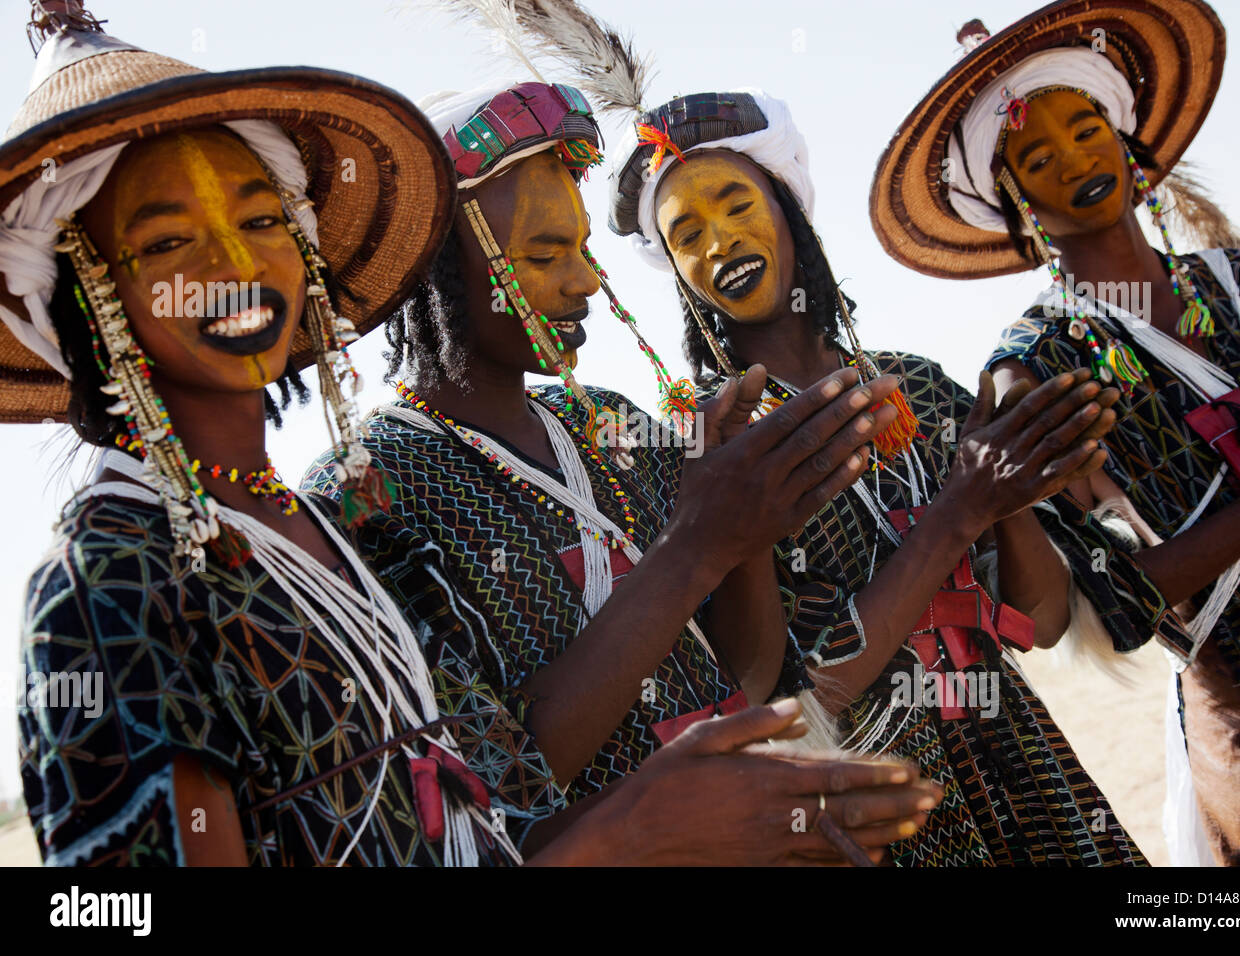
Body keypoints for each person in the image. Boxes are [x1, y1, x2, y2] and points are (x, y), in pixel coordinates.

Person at [12, 2, 936, 867]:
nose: (235, 264)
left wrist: (741, 533)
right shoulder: (124, 575)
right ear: (80, 289)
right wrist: (637, 829)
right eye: (171, 242)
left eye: (262, 220)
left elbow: (501, 808)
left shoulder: (320, 532)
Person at [502, 0, 1147, 863]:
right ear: (678, 274)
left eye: (735, 202)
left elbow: (1044, 616)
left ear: (791, 216)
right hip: (880, 808)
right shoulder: (709, 443)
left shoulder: (915, 380)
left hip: (1027, 763)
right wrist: (959, 509)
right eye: (684, 233)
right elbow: (796, 694)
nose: (719, 238)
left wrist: (1007, 497)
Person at [301, 77, 904, 834]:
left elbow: (749, 681)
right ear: (437, 269)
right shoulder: (362, 494)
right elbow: (492, 783)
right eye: (547, 253)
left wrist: (739, 537)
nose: (586, 280)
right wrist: (695, 547)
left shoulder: (614, 427)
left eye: (584, 248)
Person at [870, 0, 1240, 865]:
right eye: (1037, 155)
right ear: (1015, 199)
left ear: (1126, 140)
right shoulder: (1034, 370)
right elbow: (1112, 608)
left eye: (1086, 127)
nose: (1074, 159)